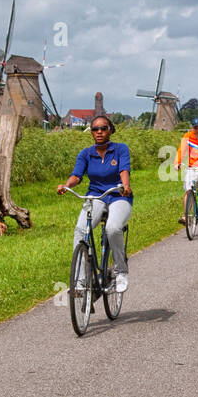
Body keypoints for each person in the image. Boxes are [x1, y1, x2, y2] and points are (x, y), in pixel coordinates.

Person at [57, 115, 132, 293]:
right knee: (81, 230)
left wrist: (126, 186)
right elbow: (77, 175)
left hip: (118, 195)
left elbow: (123, 170)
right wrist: (66, 185)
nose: (99, 132)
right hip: (95, 196)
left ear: (110, 130)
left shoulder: (120, 149)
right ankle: (81, 281)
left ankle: (121, 271)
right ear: (91, 132)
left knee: (112, 228)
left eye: (103, 128)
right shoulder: (86, 153)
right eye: (95, 129)